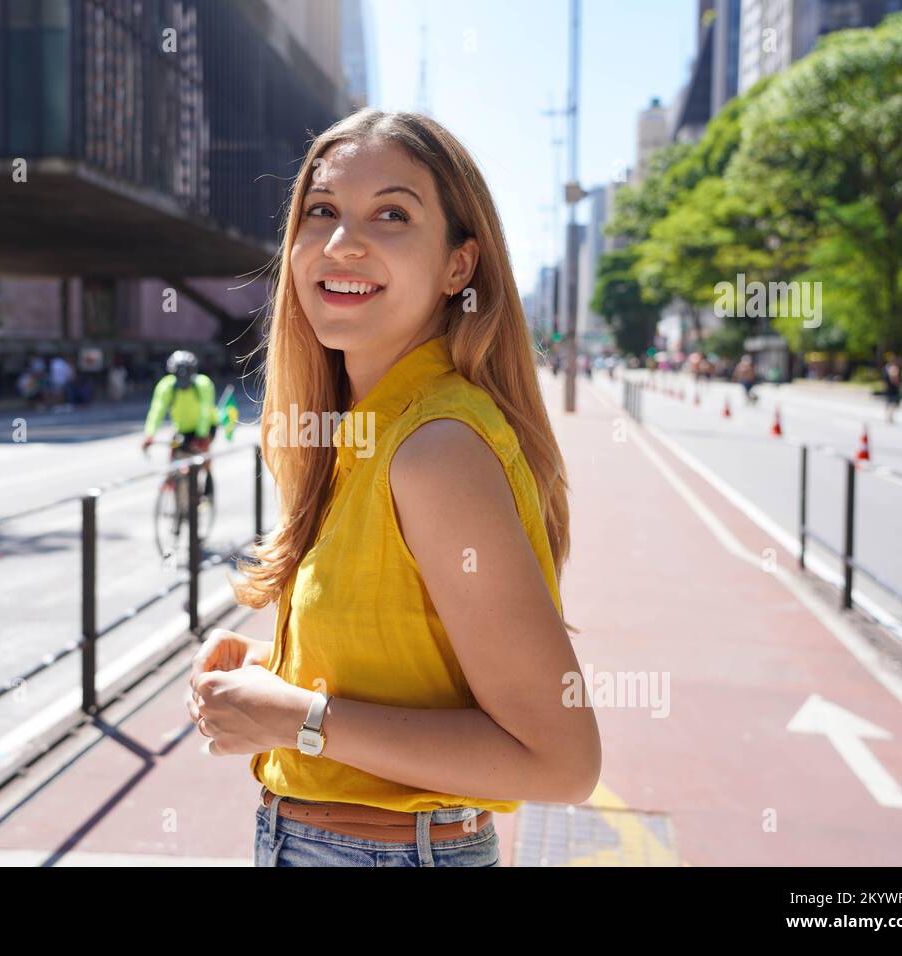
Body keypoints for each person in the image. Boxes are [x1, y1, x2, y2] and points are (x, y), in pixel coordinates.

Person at [184, 109, 598, 867]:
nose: (344, 242)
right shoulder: (369, 430)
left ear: (458, 267)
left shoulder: (433, 449)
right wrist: (280, 680)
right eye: (322, 211)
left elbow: (563, 761)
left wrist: (300, 719)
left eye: (392, 214)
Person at [141, 349, 218, 500]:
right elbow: (157, 410)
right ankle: (173, 482)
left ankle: (208, 483)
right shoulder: (166, 386)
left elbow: (205, 411)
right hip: (182, 428)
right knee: (174, 453)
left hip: (206, 425)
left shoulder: (203, 384)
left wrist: (201, 436)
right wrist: (149, 435)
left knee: (202, 454)